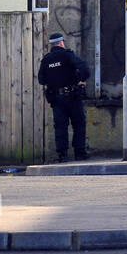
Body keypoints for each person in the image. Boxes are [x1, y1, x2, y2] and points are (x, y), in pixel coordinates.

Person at [37, 32, 90, 162]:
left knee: (60, 126)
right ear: (61, 43)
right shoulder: (67, 55)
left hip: (56, 98)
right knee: (78, 124)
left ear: (51, 45)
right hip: (73, 96)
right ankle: (80, 153)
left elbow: (41, 80)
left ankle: (63, 155)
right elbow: (85, 69)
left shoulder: (46, 60)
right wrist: (81, 79)